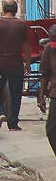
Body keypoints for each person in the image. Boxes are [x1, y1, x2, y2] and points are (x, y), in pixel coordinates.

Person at [0, 0, 30, 131]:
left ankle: (0, 113)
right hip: (16, 63)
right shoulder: (21, 24)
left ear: (3, 9)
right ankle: (13, 123)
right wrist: (28, 63)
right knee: (16, 93)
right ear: (16, 10)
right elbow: (26, 45)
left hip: (0, 63)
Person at [37, 26, 56, 159]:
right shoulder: (49, 50)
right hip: (55, 94)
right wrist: (41, 95)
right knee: (51, 129)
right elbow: (44, 74)